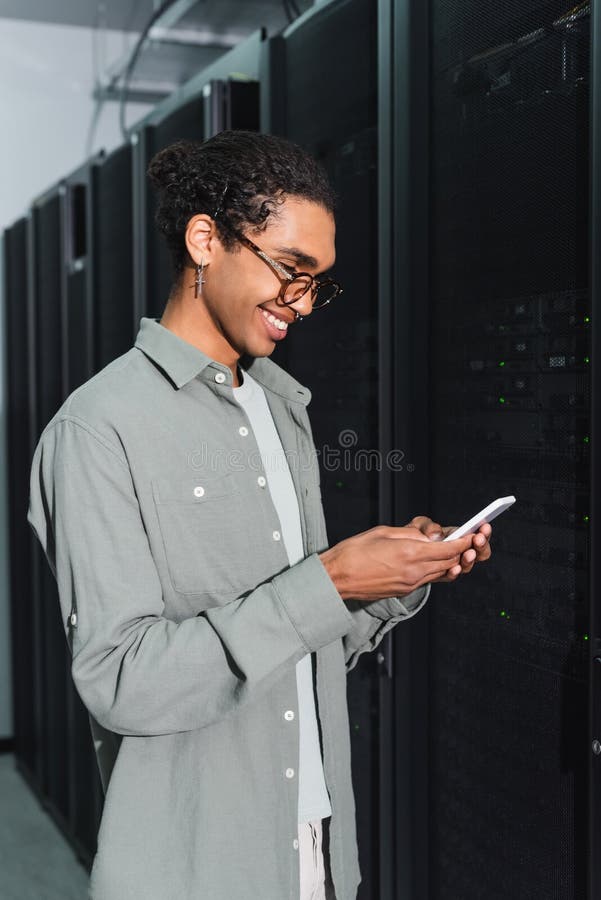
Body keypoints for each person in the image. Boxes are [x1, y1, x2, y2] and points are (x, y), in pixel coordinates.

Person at [26, 130, 491, 900]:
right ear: (204, 239)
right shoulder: (96, 430)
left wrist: (388, 580)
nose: (302, 302)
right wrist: (328, 577)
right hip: (198, 863)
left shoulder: (281, 408)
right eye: (289, 270)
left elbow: (300, 646)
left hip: (313, 844)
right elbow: (121, 682)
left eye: (317, 282)